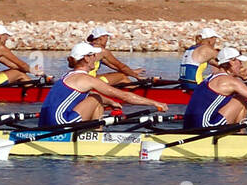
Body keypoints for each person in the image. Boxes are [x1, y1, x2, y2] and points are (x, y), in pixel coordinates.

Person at [39, 43, 167, 128]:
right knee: (97, 99)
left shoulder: (67, 76)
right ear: (87, 58)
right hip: (61, 124)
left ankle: (91, 134)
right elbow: (125, 96)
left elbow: (89, 94)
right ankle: (96, 137)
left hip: (46, 124)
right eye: (93, 55)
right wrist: (155, 103)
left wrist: (111, 102)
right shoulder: (86, 79)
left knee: (95, 97)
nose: (96, 58)